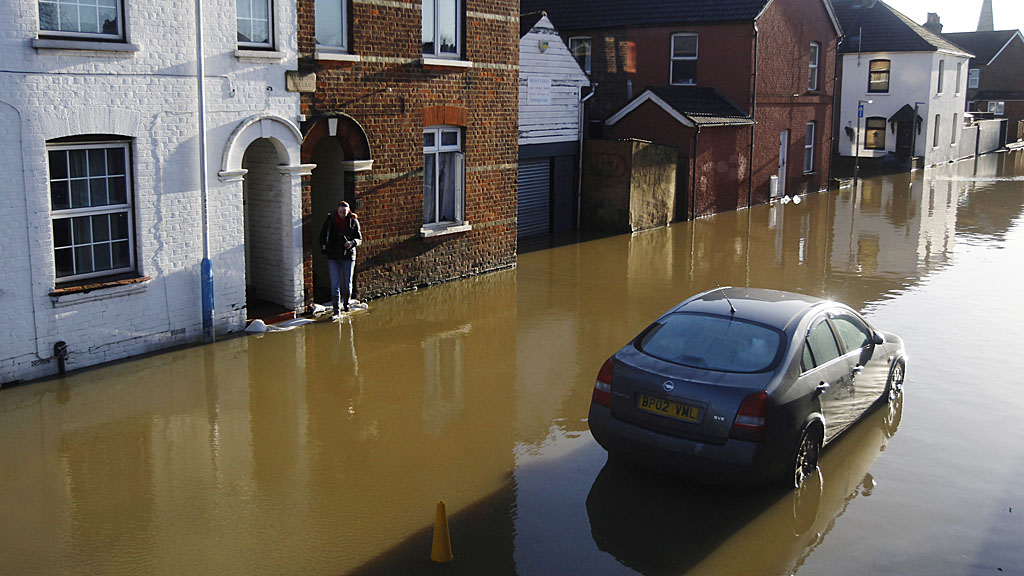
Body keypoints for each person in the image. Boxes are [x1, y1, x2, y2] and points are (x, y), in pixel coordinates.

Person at [319, 201, 362, 318]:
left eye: (344, 212)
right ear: (337, 211)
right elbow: (323, 235)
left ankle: (346, 304)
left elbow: (359, 239)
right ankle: (336, 311)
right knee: (335, 285)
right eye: (340, 212)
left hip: (348, 255)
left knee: (347, 285)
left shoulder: (353, 221)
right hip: (333, 255)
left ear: (348, 211)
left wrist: (352, 243)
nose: (342, 214)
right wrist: (323, 244)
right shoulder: (330, 220)